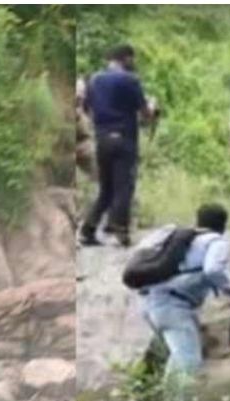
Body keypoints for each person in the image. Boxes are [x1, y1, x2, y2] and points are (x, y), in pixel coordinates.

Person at [138, 204, 230, 401]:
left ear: (198, 220)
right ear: (223, 225)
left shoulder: (182, 240)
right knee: (189, 363)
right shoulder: (216, 242)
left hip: (150, 304)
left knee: (177, 359)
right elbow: (213, 270)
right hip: (175, 307)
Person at [80, 43, 159, 248]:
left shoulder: (94, 80)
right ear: (126, 58)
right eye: (132, 59)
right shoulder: (130, 80)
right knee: (124, 186)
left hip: (102, 139)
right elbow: (145, 115)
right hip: (124, 139)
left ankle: (88, 230)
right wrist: (152, 107)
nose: (134, 63)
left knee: (106, 189)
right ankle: (120, 231)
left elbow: (86, 110)